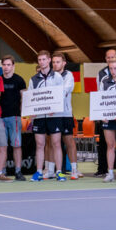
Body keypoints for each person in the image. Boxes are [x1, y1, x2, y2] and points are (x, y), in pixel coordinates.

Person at [29, 51, 65, 181]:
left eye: (44, 59)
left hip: (54, 116)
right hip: (39, 117)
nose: (42, 62)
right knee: (40, 144)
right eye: (39, 60)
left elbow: (61, 95)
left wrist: (54, 108)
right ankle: (39, 171)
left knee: (56, 143)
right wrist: (31, 112)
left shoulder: (57, 77)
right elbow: (31, 98)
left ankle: (59, 172)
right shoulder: (33, 79)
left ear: (49, 60)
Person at [51, 52, 79, 180]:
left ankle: (74, 170)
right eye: (54, 62)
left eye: (58, 62)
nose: (55, 64)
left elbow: (65, 90)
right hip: (52, 114)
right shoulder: (49, 76)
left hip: (65, 114)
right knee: (52, 143)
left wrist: (54, 93)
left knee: (69, 142)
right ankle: (51, 170)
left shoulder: (69, 75)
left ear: (64, 63)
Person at [0, 55, 27, 181]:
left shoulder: (19, 80)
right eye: (4, 65)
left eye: (8, 65)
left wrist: (22, 113)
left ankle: (18, 171)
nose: (6, 67)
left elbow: (24, 99)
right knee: (2, 146)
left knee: (16, 145)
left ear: (13, 66)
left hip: (15, 117)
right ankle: (2, 172)